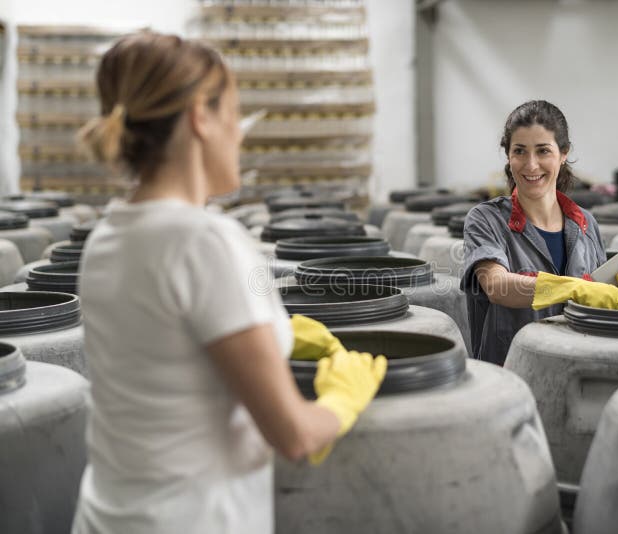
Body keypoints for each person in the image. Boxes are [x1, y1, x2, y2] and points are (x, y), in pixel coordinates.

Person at [71, 31, 386, 534]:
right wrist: (345, 398)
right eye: (234, 115)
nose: (239, 134)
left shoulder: (106, 236)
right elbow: (294, 436)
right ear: (201, 116)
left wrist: (271, 328)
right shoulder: (207, 241)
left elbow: (169, 352)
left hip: (107, 516)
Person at [461, 100, 618, 365]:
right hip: (511, 378)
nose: (531, 165)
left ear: (563, 154)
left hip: (580, 370)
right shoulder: (486, 219)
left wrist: (616, 286)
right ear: (508, 156)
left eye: (543, 151)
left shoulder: (585, 224)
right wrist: (573, 288)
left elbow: (590, 299)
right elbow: (497, 285)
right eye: (520, 151)